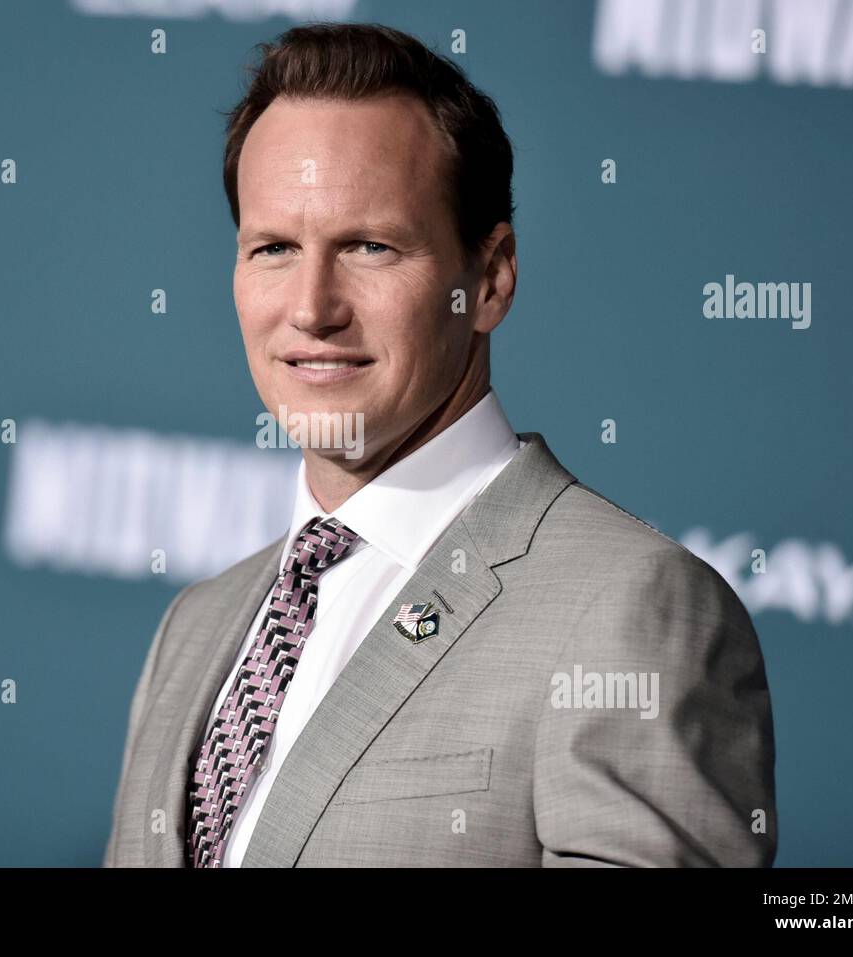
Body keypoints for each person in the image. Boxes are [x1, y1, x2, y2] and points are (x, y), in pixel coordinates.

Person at [104, 23, 776, 868]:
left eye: (370, 247)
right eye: (274, 248)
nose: (312, 308)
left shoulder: (628, 609)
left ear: (489, 279)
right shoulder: (195, 628)